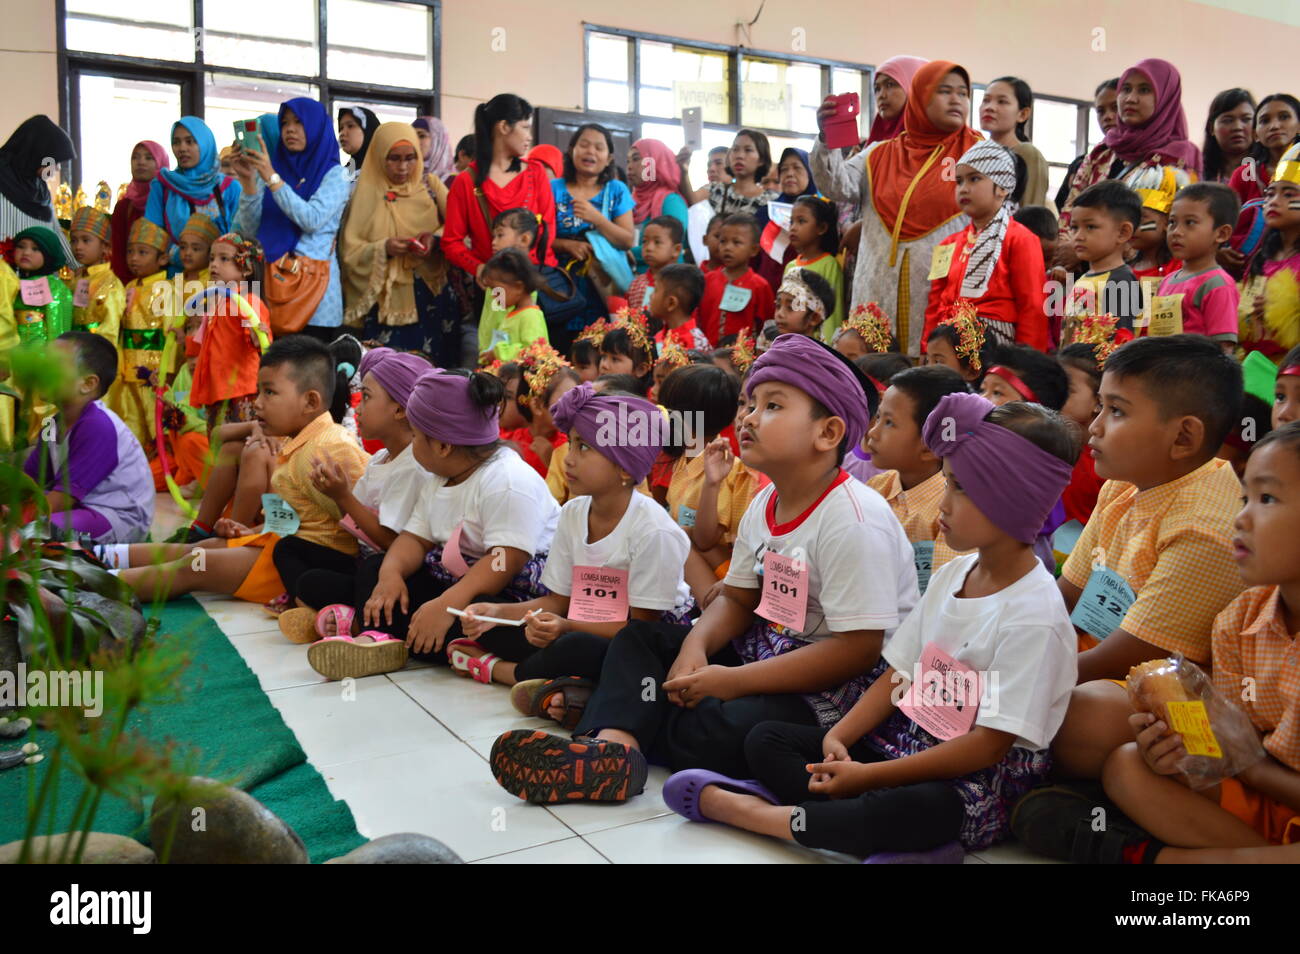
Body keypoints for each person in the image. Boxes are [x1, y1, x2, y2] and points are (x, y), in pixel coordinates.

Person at [486, 333, 918, 804]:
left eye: (772, 406)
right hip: (762, 649)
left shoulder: (854, 520)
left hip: (832, 687)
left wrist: (732, 681)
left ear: (828, 433)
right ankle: (615, 751)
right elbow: (737, 599)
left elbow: (855, 652)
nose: (749, 417)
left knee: (728, 727)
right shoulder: (767, 500)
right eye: (749, 403)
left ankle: (616, 708)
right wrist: (696, 643)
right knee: (639, 640)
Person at [665, 395, 1077, 862]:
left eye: (961, 489)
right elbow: (898, 675)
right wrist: (838, 736)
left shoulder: (1034, 615)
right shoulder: (952, 575)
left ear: (1012, 503)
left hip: (968, 778)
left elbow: (985, 747)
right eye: (949, 483)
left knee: (923, 806)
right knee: (768, 739)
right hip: (903, 739)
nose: (942, 503)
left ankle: (757, 813)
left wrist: (872, 776)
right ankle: (873, 831)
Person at [1051, 422, 1300, 863]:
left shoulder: (1198, 523)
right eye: (1244, 498)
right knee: (1128, 765)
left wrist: (1252, 767)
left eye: (1267, 499)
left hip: (1271, 784)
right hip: (1265, 798)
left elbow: (1249, 763)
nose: (1240, 517)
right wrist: (1178, 753)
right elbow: (1232, 750)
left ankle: (1161, 857)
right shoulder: (1239, 620)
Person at [1045, 336, 1246, 781]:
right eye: (1098, 406)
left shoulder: (1207, 528)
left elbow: (1127, 658)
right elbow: (1066, 595)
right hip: (1089, 660)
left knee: (1086, 716)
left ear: (1184, 436)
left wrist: (1021, 678)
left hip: (1155, 690)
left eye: (1116, 411)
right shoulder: (1124, 482)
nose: (1094, 427)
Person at [312, 368, 559, 678]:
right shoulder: (439, 476)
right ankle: (381, 637)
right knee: (376, 568)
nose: (412, 444)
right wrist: (391, 576)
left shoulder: (507, 480)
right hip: (457, 583)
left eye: (416, 436)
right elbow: (414, 539)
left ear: (443, 447)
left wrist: (446, 605)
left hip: (508, 592)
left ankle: (397, 634)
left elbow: (502, 562)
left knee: (482, 616)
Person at [452, 383, 691, 699]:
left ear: (624, 467)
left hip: (641, 638)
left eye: (584, 447)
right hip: (581, 623)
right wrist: (495, 613)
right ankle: (565, 684)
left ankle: (505, 672)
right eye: (571, 442)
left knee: (580, 647)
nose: (568, 458)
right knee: (486, 614)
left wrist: (565, 626)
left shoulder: (654, 532)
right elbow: (556, 602)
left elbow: (639, 631)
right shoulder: (574, 512)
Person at [109, 336, 368, 605]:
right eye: (259, 391)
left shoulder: (332, 447)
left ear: (310, 402)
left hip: (303, 566)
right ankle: (98, 556)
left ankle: (87, 586)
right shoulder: (297, 440)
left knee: (196, 564)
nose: (257, 403)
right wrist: (252, 530)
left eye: (269, 392)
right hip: (283, 545)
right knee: (201, 549)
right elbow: (301, 519)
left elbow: (364, 526)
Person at [812, 60, 981, 355]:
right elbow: (836, 185)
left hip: (940, 297)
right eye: (944, 91)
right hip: (876, 292)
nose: (956, 99)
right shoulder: (879, 154)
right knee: (870, 376)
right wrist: (827, 139)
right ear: (920, 96)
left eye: (963, 93)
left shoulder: (978, 153)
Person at [274, 347, 430, 641]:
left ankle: (358, 626)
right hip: (366, 562)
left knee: (372, 568)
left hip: (397, 572)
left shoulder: (414, 465)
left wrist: (342, 496)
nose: (357, 407)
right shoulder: (381, 458)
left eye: (367, 397)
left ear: (398, 409)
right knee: (290, 550)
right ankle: (311, 609)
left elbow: (391, 542)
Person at [233, 97, 349, 339]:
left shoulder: (336, 175)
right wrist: (248, 183)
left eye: (299, 122)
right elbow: (251, 230)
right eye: (284, 123)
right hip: (273, 291)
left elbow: (312, 219)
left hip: (317, 303)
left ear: (316, 126)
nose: (290, 129)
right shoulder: (275, 170)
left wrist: (272, 179)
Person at [23, 332, 152, 543]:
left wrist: (17, 517)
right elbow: (31, 479)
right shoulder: (51, 424)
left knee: (35, 532)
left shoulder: (97, 425)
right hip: (76, 508)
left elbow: (62, 498)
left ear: (88, 384)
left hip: (113, 516)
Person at [921, 140, 1047, 350]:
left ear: (1002, 188)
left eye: (974, 179)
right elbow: (935, 303)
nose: (963, 189)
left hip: (997, 348)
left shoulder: (1021, 239)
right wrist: (927, 347)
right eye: (959, 181)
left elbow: (1032, 306)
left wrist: (1025, 366)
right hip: (947, 344)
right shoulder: (948, 244)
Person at [338, 122, 448, 352]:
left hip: (429, 296)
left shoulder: (430, 186)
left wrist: (434, 239)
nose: (403, 167)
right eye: (394, 158)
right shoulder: (365, 194)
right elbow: (349, 251)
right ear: (379, 156)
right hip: (382, 304)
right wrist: (383, 248)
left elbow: (458, 228)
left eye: (410, 158)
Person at [865, 364, 971, 592]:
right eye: (878, 417)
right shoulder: (877, 486)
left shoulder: (948, 512)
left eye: (889, 422)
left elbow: (941, 593)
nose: (873, 432)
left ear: (929, 447)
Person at [1059, 60, 1200, 228]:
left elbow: (1168, 225)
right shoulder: (1103, 151)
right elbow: (1070, 209)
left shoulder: (1178, 156)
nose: (1130, 99)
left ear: (1166, 97)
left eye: (1144, 90)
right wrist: (1071, 245)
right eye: (1125, 89)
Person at [443, 94, 559, 284]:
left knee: (532, 315)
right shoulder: (466, 181)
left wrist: (520, 270)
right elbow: (451, 242)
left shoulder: (535, 172)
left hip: (534, 278)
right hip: (495, 284)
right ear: (504, 127)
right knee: (497, 313)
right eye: (525, 128)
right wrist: (479, 268)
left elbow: (548, 227)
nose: (529, 137)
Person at [1151, 182, 1240, 350]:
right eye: (1172, 222)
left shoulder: (1217, 284)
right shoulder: (1167, 280)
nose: (1176, 231)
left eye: (1190, 223)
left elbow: (1223, 349)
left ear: (1221, 234)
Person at [146, 117, 243, 268]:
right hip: (177, 276)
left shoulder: (230, 187)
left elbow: (241, 234)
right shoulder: (162, 185)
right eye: (176, 142)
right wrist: (183, 256)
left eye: (190, 141)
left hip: (222, 276)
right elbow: (153, 237)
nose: (182, 148)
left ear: (205, 144)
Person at [550, 123, 635, 292]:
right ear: (572, 149)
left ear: (608, 159)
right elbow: (537, 236)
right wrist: (565, 245)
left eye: (599, 148)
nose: (590, 151)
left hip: (603, 283)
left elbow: (627, 241)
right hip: (558, 281)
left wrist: (596, 218)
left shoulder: (617, 190)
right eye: (584, 145)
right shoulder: (552, 188)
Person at [1060, 180, 1145, 340]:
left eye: (1090, 227)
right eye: (1074, 227)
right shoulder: (1087, 277)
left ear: (1123, 232)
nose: (1078, 236)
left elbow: (1118, 345)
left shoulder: (1120, 281)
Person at [1239, 142, 1300, 362]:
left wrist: (1281, 310)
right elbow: (1244, 313)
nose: (1274, 202)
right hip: (1255, 365)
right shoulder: (1260, 259)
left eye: (1289, 194)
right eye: (1270, 194)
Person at [1226, 94, 1300, 271]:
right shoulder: (1245, 174)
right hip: (1247, 267)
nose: (1274, 126)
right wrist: (1219, 252)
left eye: (1284, 117)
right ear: (1255, 134)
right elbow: (1224, 222)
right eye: (1264, 120)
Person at [0, 115, 76, 263]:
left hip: (36, 280)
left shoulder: (40, 189)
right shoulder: (3, 178)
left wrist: (78, 266)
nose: (58, 167)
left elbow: (55, 234)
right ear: (37, 152)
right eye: (55, 160)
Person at [696, 214, 774, 346]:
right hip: (707, 357)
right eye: (723, 241)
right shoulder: (707, 280)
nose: (728, 247)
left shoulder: (759, 285)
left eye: (736, 242)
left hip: (743, 360)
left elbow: (767, 326)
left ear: (754, 250)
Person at [753, 148, 819, 292]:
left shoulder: (822, 211)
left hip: (805, 288)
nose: (789, 173)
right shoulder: (765, 213)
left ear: (810, 173)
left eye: (797, 168)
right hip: (767, 287)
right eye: (784, 169)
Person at [979, 76, 1050, 209]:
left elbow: (1030, 214)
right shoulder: (976, 155)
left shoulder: (1027, 154)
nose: (990, 107)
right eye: (986, 100)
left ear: (1022, 114)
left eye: (1002, 101)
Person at [782, 194, 844, 342]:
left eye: (801, 221)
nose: (793, 228)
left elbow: (832, 313)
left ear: (821, 228)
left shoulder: (829, 264)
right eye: (791, 221)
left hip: (817, 344)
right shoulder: (791, 266)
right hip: (792, 341)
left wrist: (828, 346)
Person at [110, 141, 169, 284]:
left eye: (149, 158)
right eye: (135, 157)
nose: (140, 162)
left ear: (161, 163)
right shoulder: (124, 206)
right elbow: (118, 252)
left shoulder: (171, 200)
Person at [681, 130, 777, 216]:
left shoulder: (771, 201)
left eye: (748, 150)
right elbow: (693, 199)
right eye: (735, 149)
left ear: (762, 160)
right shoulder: (716, 190)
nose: (739, 155)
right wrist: (684, 172)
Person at [476, 248, 549, 363]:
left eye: (496, 289)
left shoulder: (530, 316)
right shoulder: (514, 314)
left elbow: (535, 353)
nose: (494, 296)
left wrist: (499, 353)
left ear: (518, 287)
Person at [629, 138, 688, 269]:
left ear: (655, 162)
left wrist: (619, 254)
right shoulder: (631, 200)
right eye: (628, 161)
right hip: (636, 281)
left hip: (667, 279)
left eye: (636, 159)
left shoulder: (671, 200)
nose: (629, 166)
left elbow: (672, 241)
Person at [68, 206, 124, 343]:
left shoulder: (111, 283)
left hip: (95, 355)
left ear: (105, 247)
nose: (78, 247)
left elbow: (111, 330)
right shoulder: (75, 279)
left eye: (86, 240)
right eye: (74, 240)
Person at [10, 225, 73, 345]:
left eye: (35, 249)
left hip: (39, 358)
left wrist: (52, 359)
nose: (26, 252)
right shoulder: (11, 282)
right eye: (21, 246)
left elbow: (58, 328)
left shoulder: (55, 287)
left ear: (48, 255)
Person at [626, 215, 684, 323]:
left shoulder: (681, 287)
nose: (649, 248)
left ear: (676, 250)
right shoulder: (636, 284)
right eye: (645, 241)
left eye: (657, 242)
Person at [648, 261, 708, 352]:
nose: (650, 296)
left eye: (655, 290)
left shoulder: (694, 344)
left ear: (671, 303)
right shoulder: (660, 336)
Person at [1202, 88, 1256, 184]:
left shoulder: (1268, 171)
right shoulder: (1197, 172)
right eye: (1227, 120)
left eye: (1246, 119)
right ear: (1211, 128)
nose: (1237, 127)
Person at [337, 106, 380, 180]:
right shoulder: (343, 174)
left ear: (368, 131)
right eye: (341, 128)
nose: (342, 133)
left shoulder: (382, 173)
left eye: (350, 126)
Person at [177, 213, 216, 289]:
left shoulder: (213, 283)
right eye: (183, 247)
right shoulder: (174, 282)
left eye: (195, 249)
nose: (187, 253)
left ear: (210, 253)